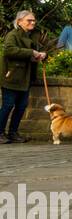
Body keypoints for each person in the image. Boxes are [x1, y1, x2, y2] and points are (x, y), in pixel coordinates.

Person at [1, 10, 51, 144]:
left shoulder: (31, 36)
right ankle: (0, 133)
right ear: (19, 21)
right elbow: (9, 50)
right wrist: (32, 52)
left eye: (34, 20)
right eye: (29, 20)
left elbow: (32, 54)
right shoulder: (13, 35)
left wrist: (41, 55)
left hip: (26, 78)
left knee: (21, 106)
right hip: (12, 77)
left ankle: (13, 133)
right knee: (8, 105)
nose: (33, 22)